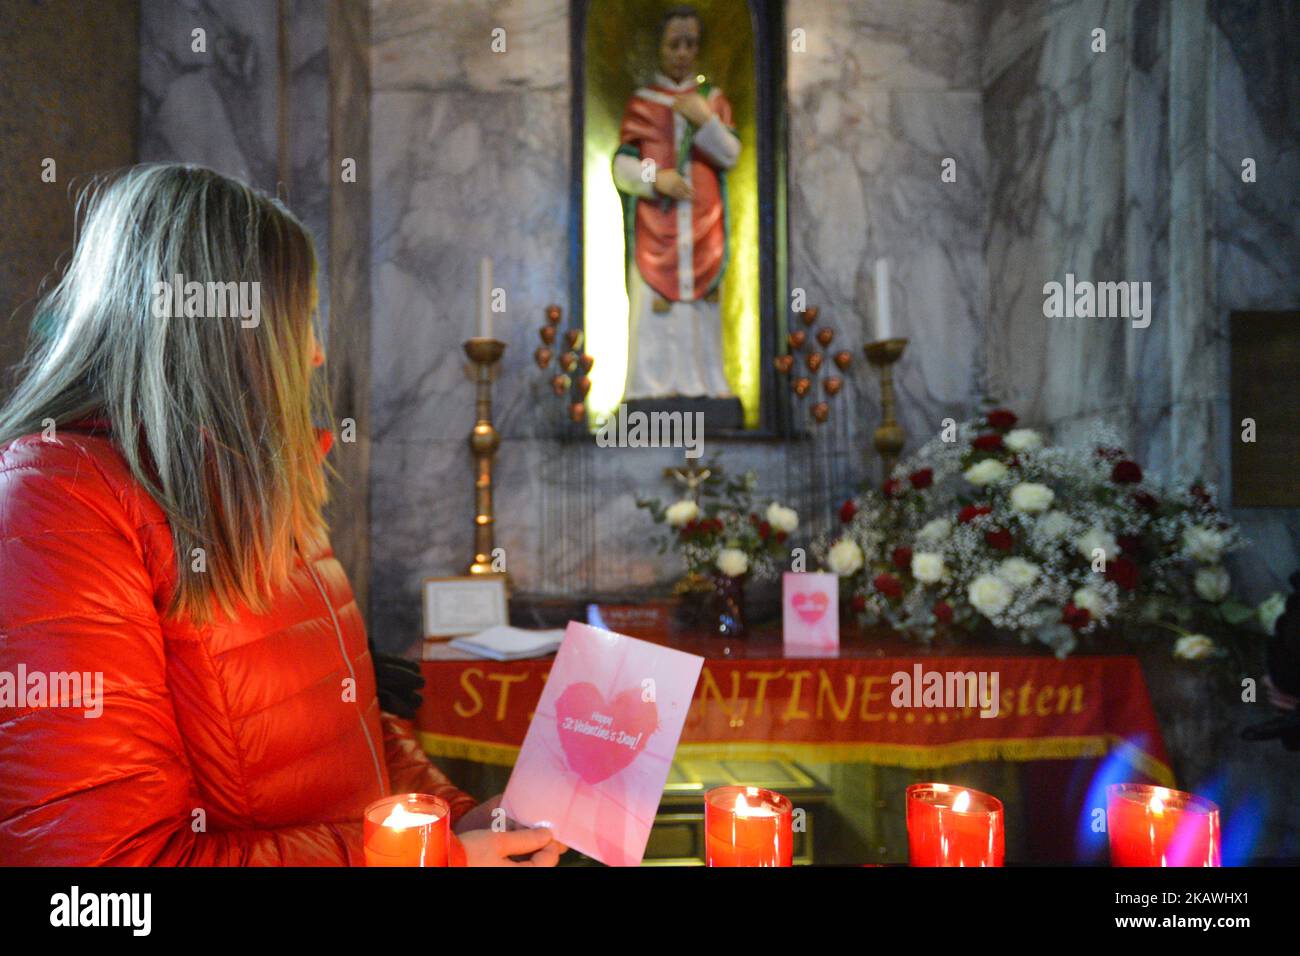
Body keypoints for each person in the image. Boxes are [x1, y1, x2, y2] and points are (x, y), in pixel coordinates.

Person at [0, 163, 564, 866]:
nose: (318, 352)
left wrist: (460, 819)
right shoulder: (59, 502)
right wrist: (434, 859)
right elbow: (104, 881)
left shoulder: (269, 485)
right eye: (299, 320)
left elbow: (358, 735)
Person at [613, 4, 741, 400]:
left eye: (690, 44)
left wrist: (706, 121)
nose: (682, 53)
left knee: (700, 312)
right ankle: (650, 390)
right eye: (674, 44)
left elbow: (731, 156)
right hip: (658, 229)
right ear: (660, 48)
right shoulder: (643, 102)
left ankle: (703, 386)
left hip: (703, 228)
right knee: (654, 310)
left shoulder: (712, 100)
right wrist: (656, 178)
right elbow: (622, 166)